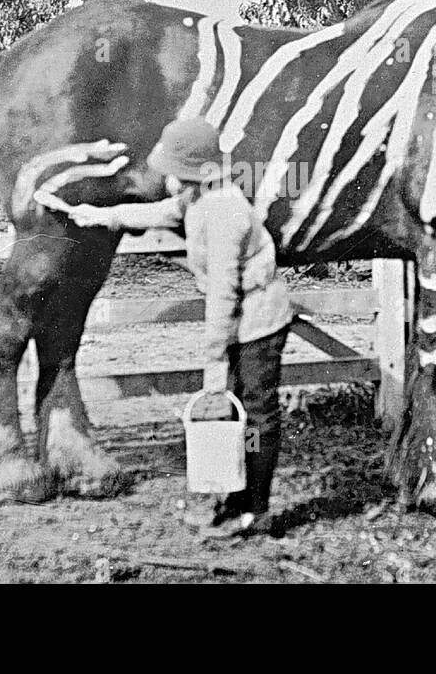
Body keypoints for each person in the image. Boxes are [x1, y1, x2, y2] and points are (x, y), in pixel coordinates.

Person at [67, 119, 294, 537]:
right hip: (239, 317)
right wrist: (101, 216)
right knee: (234, 415)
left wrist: (213, 366)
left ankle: (255, 510)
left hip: (258, 320)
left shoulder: (225, 212)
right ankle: (232, 500)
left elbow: (223, 295)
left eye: (176, 169)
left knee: (256, 412)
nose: (168, 178)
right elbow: (159, 212)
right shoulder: (198, 197)